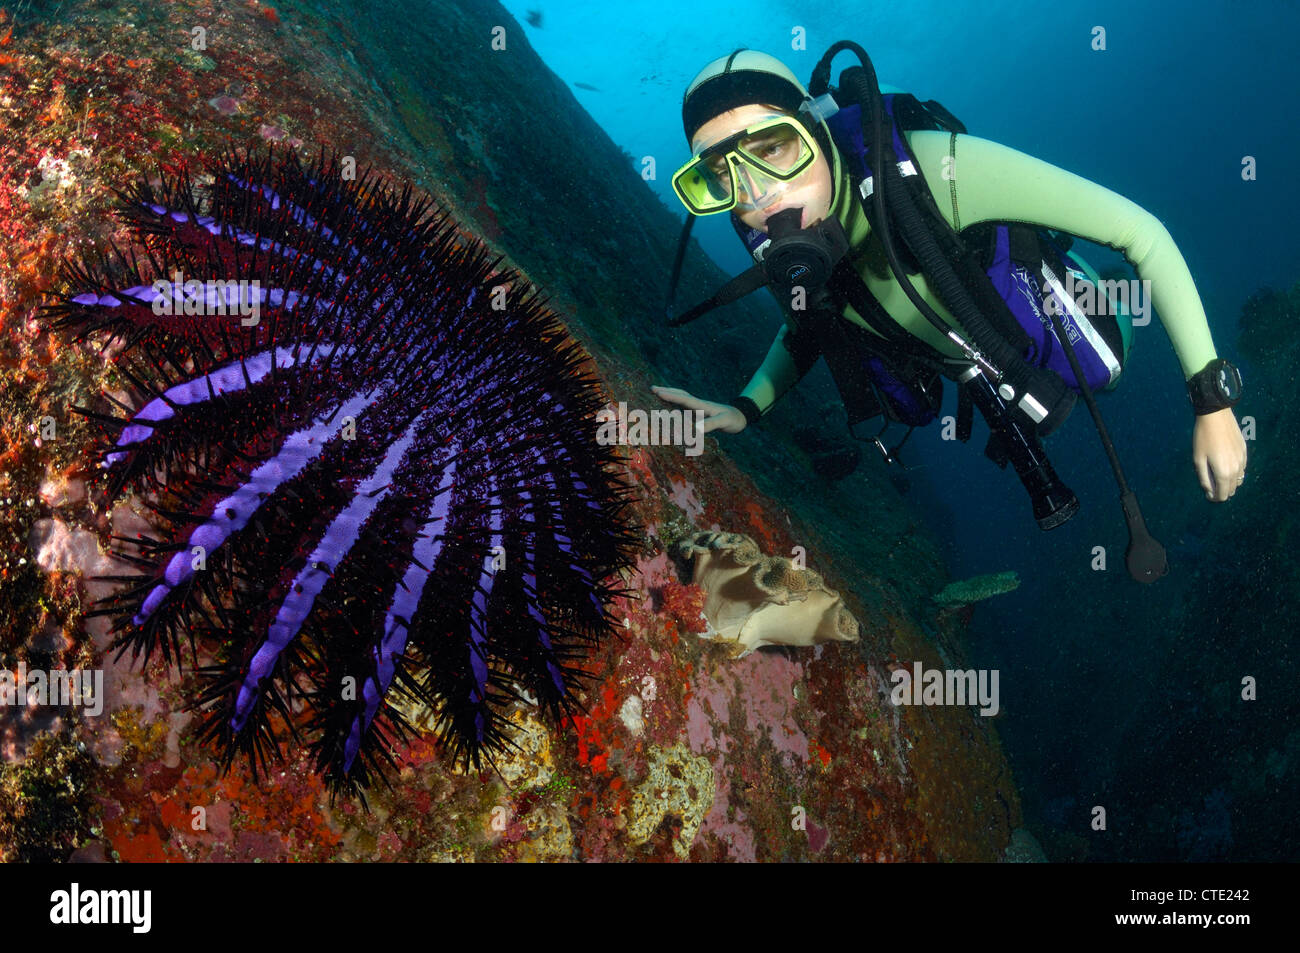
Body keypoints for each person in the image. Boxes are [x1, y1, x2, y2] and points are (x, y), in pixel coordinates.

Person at [653, 48, 1248, 516]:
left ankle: (1107, 286)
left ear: (819, 133)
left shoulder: (941, 171)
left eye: (775, 148)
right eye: (719, 174)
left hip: (1067, 311)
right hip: (973, 352)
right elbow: (804, 327)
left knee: (1108, 355)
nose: (758, 194)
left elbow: (1143, 234)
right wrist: (744, 409)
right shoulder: (790, 242)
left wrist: (1214, 402)